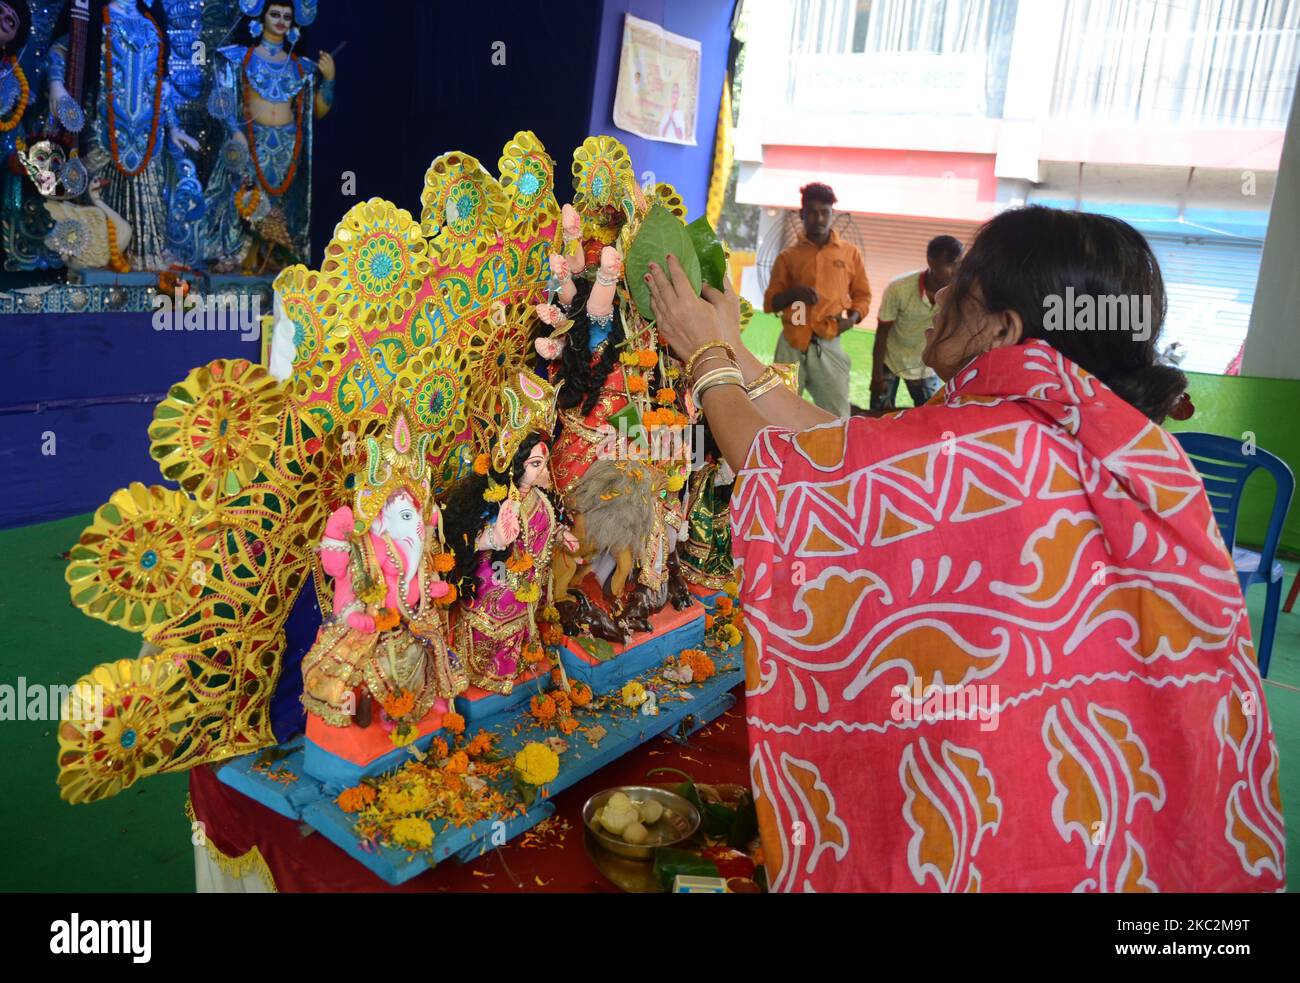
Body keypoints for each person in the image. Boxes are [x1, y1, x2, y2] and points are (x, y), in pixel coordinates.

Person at [644, 205, 1284, 892]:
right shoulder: (1107, 440)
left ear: (1004, 329)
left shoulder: (995, 451)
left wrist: (705, 356)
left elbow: (793, 478)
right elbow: (848, 458)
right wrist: (737, 353)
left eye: (963, 286)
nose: (940, 295)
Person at [763, 182, 871, 417]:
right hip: (791, 344)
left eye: (825, 212)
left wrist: (851, 320)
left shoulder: (849, 254)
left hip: (829, 343)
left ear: (832, 215)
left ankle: (832, 453)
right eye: (812, 212)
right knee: (780, 412)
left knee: (837, 416)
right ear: (802, 214)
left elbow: (863, 295)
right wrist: (794, 293)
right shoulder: (788, 257)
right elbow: (770, 302)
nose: (818, 218)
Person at [870, 235, 962, 410]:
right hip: (892, 361)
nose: (957, 270)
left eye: (959, 263)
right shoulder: (899, 288)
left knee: (931, 418)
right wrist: (876, 376)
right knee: (878, 415)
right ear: (931, 262)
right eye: (950, 264)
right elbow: (882, 332)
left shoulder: (959, 293)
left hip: (927, 367)